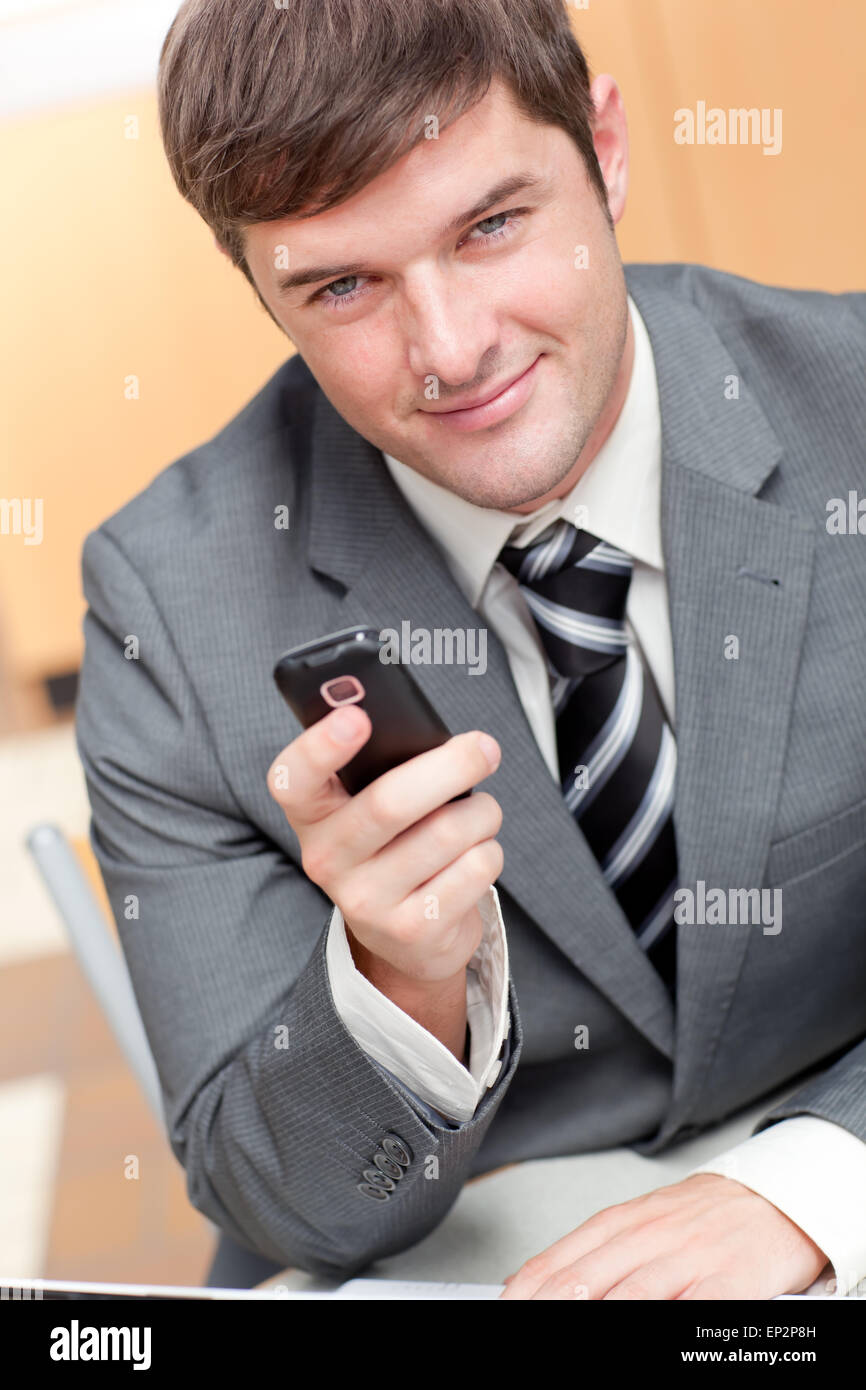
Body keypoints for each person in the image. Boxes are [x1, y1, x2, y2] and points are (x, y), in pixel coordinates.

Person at [75, 0, 866, 1299]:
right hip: (474, 1252)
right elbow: (283, 1197)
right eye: (342, 285)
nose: (451, 352)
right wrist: (395, 978)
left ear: (604, 149)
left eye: (490, 226)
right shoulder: (167, 598)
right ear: (262, 294)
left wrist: (815, 1177)